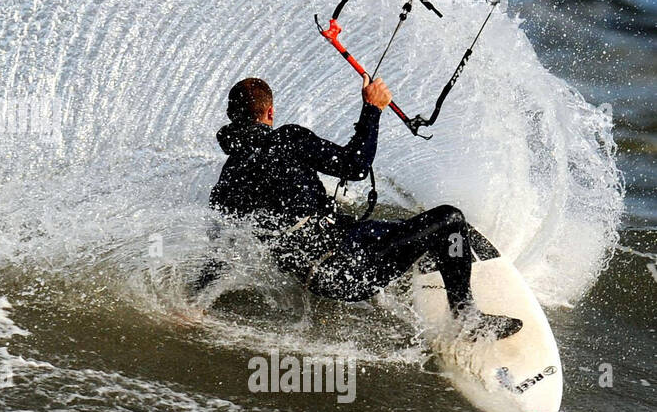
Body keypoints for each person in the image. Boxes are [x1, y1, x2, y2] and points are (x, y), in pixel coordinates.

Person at [205, 74, 522, 340]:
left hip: (318, 269)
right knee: (449, 219)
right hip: (347, 269)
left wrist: (197, 301)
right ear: (270, 112)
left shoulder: (229, 177)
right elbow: (356, 166)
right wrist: (371, 109)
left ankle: (431, 256)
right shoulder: (287, 138)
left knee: (400, 228)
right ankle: (467, 320)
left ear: (233, 118)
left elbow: (221, 246)